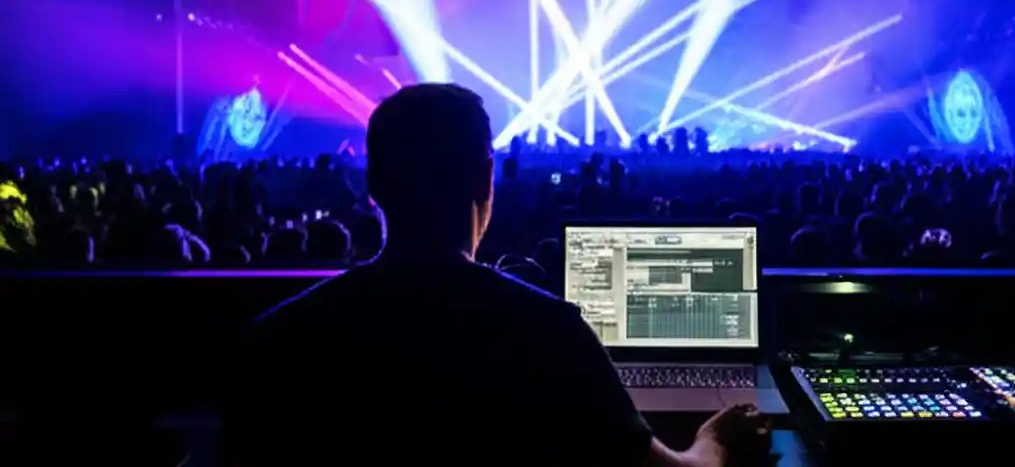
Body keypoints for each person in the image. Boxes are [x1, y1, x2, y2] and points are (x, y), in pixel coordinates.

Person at [219, 84, 768, 466]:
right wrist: (712, 442)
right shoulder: (549, 331)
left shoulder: (278, 337)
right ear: (487, 178)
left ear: (374, 187)